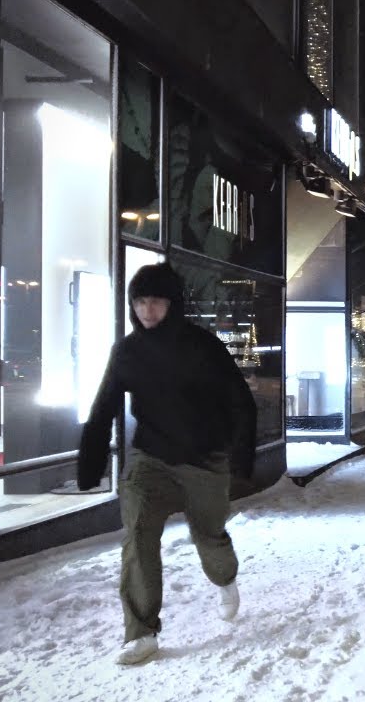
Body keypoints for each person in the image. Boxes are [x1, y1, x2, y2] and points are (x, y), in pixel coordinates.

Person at [77, 263, 257, 665]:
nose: (147, 310)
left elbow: (240, 402)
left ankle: (225, 579)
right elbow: (104, 404)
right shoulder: (128, 351)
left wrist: (242, 456)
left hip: (204, 461)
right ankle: (141, 633)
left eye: (156, 301)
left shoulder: (203, 347)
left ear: (172, 304)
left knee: (209, 538)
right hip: (150, 459)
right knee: (137, 537)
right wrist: (90, 463)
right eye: (140, 301)